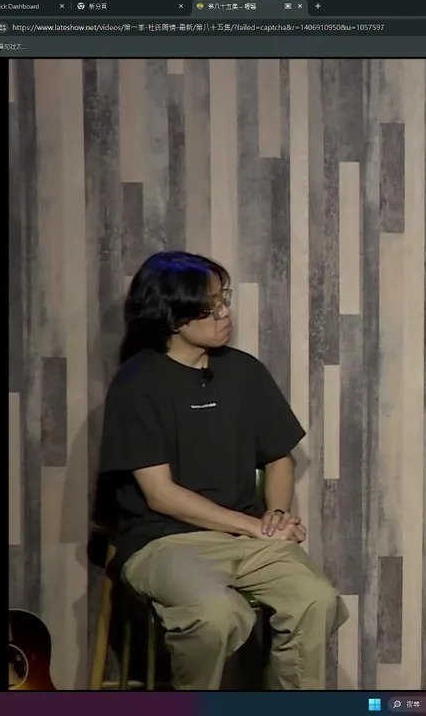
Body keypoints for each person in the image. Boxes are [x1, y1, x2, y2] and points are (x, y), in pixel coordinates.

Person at [99, 251, 348, 690]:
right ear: (172, 318)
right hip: (164, 541)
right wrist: (254, 526)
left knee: (316, 598)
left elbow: (280, 457)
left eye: (223, 299)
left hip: (246, 540)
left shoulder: (244, 371)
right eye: (209, 306)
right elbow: (160, 494)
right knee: (216, 615)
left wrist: (276, 513)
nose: (224, 313)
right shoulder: (136, 384)